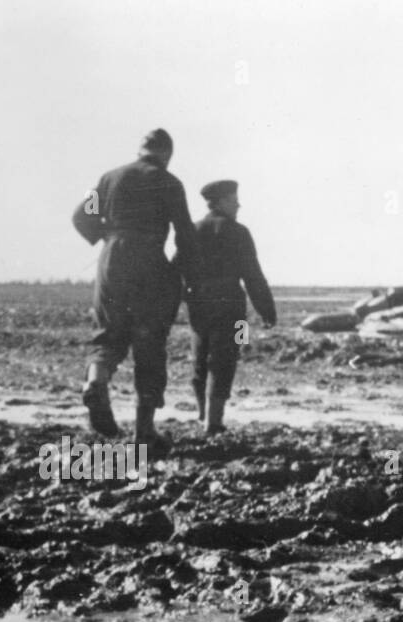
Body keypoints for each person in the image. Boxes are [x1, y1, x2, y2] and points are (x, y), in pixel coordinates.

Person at [72, 128, 198, 453]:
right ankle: (144, 432)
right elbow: (185, 233)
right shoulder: (169, 182)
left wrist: (110, 237)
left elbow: (80, 217)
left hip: (111, 261)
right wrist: (177, 267)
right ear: (167, 154)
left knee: (110, 334)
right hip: (150, 262)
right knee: (150, 342)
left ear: (140, 150)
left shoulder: (109, 177)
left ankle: (95, 381)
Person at [185, 179, 276, 435]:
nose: (238, 205)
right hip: (233, 307)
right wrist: (267, 311)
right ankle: (213, 422)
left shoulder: (192, 230)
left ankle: (202, 414)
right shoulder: (239, 232)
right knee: (225, 360)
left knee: (200, 359)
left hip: (198, 305)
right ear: (222, 202)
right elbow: (253, 276)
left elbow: (177, 267)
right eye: (234, 200)